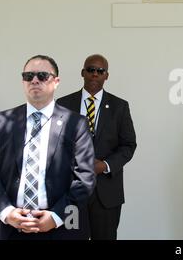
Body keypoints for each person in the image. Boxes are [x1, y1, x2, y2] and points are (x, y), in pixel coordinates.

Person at [0, 55, 95, 240]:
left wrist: (57, 216)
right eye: (28, 76)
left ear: (56, 81)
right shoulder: (2, 122)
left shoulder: (76, 124)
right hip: (10, 228)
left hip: (60, 228)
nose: (34, 80)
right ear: (23, 81)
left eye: (42, 75)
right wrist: (6, 211)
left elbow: (85, 179)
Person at [57, 54, 136, 240]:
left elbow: (129, 145)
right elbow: (54, 145)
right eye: (91, 70)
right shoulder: (63, 104)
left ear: (106, 76)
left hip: (106, 194)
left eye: (100, 71)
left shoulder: (119, 107)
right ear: (83, 72)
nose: (95, 74)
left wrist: (105, 165)